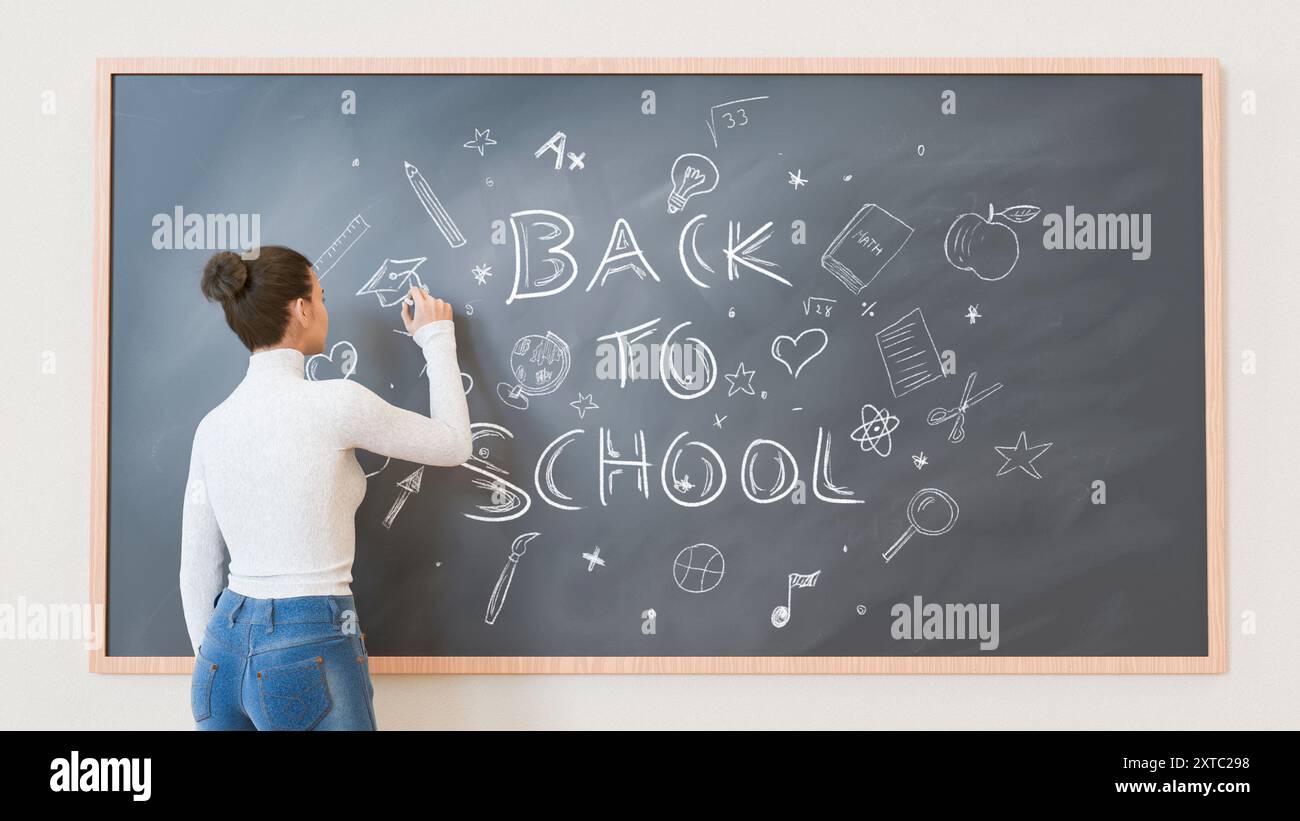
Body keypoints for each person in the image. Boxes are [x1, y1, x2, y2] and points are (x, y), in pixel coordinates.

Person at [181, 246, 472, 730]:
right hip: (310, 638)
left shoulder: (212, 427)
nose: (324, 308)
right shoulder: (337, 402)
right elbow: (454, 444)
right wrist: (437, 337)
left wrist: (217, 661)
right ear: (301, 308)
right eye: (321, 295)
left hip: (219, 655)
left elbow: (197, 567)